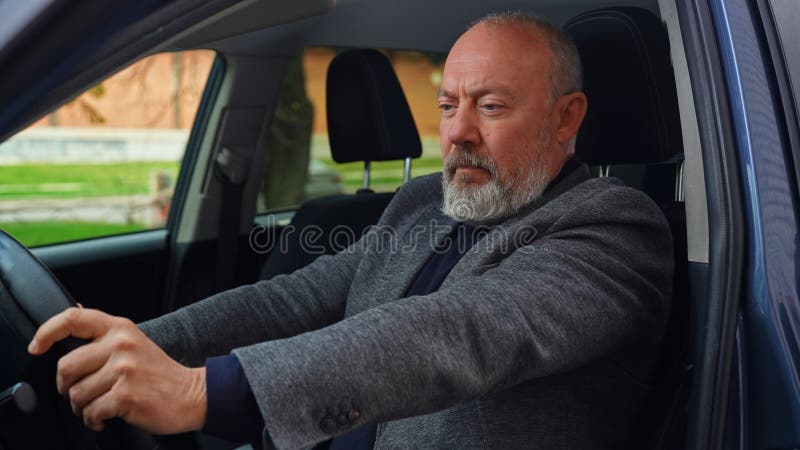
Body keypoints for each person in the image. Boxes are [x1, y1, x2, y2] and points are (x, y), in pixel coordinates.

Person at [28, 12, 673, 450]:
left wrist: (203, 390)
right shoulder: (424, 202)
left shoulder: (616, 232)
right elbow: (293, 300)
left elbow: (459, 331)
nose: (458, 132)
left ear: (566, 118)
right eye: (448, 105)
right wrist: (135, 346)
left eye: (491, 105)